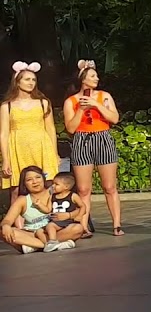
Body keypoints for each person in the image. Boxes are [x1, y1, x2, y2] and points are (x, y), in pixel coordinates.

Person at [62, 59, 122, 236]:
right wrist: (81, 109)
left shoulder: (105, 96)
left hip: (103, 137)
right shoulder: (71, 101)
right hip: (82, 139)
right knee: (83, 189)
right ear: (83, 79)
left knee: (110, 186)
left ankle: (117, 224)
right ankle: (83, 226)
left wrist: (96, 105)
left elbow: (114, 118)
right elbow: (71, 128)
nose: (97, 79)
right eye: (93, 76)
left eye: (96, 76)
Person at [0, 62, 60, 205]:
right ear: (17, 81)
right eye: (27, 79)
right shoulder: (7, 106)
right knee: (16, 189)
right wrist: (6, 159)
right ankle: (17, 225)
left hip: (41, 147)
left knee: (46, 185)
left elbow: (51, 129)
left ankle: (46, 222)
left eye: (33, 80)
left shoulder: (43, 103)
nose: (31, 83)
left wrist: (54, 153)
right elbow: (3, 133)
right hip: (17, 148)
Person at [1, 166, 75, 253]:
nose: (35, 182)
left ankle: (35, 246)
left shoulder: (54, 191)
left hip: (54, 232)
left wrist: (69, 215)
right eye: (29, 180)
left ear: (43, 179)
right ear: (24, 184)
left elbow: (79, 208)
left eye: (38, 177)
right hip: (32, 234)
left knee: (77, 228)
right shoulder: (22, 199)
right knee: (5, 232)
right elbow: (7, 220)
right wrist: (6, 226)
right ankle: (51, 245)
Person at [48, 172, 89, 242]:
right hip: (56, 221)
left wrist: (79, 216)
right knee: (49, 226)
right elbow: (48, 209)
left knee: (76, 228)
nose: (53, 186)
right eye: (53, 183)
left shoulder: (73, 196)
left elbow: (83, 206)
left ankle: (52, 241)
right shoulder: (52, 196)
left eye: (56, 184)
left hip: (69, 221)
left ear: (66, 186)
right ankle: (53, 241)